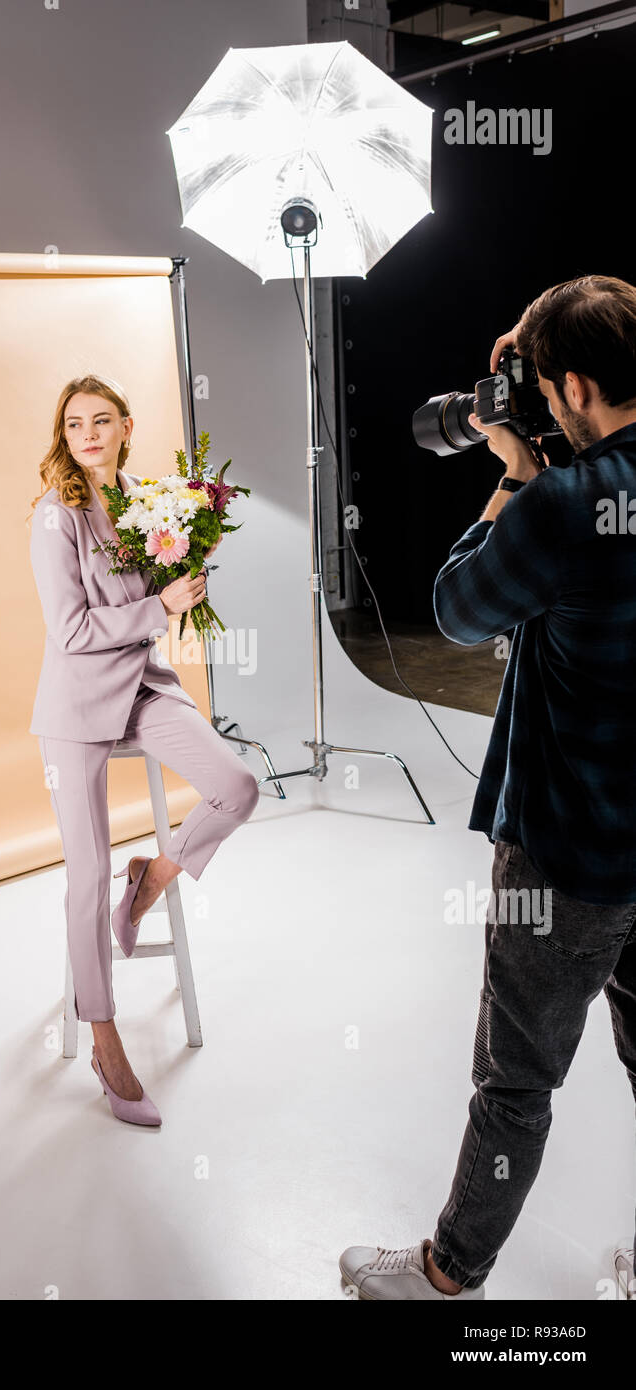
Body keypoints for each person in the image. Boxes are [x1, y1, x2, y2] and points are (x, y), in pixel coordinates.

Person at [340, 274, 636, 1299]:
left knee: (515, 1084)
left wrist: (512, 470)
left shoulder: (564, 505)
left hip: (566, 853)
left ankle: (446, 1274)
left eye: (548, 385)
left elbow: (460, 608)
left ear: (580, 386)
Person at [28, 373, 260, 1127]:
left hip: (145, 688)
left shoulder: (152, 502)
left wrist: (188, 568)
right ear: (63, 437)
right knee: (85, 870)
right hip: (75, 705)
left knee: (238, 785)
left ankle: (152, 878)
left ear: (125, 427)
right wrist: (155, 605)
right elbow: (69, 633)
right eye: (73, 425)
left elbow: (163, 603)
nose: (87, 434)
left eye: (101, 421)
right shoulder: (53, 519)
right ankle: (103, 1037)